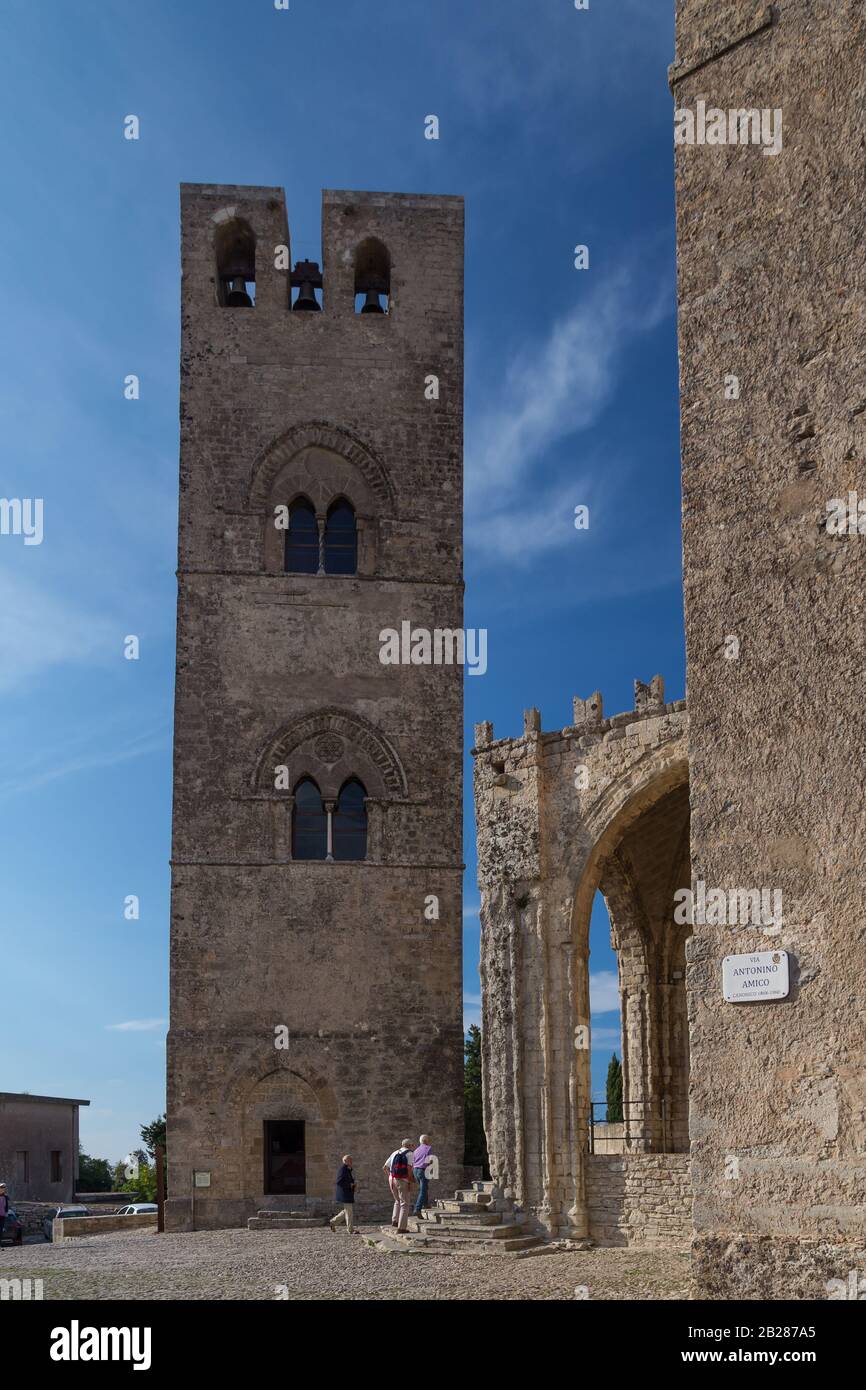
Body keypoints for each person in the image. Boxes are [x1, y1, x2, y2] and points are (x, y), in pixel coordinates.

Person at [382, 1140, 415, 1232]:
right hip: (402, 1180)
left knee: (397, 1200)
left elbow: (384, 1167)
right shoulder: (410, 1154)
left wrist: (391, 1175)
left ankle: (395, 1220)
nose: (413, 1147)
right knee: (405, 1203)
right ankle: (402, 1228)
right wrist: (410, 1181)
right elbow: (409, 1168)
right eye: (412, 1145)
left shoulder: (395, 1152)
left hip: (392, 1179)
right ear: (409, 1145)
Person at [329, 1154, 358, 1234]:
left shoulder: (348, 1170)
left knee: (347, 1211)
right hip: (345, 1194)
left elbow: (348, 1180)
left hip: (348, 1193)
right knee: (349, 1212)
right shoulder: (342, 1169)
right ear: (345, 1161)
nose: (352, 1161)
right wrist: (350, 1185)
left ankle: (333, 1222)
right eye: (350, 1160)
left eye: (351, 1160)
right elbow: (339, 1181)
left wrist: (353, 1185)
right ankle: (350, 1230)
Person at [412, 1134, 434, 1217]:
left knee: (424, 1188)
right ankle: (417, 1209)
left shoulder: (416, 1150)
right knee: (423, 1190)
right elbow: (429, 1160)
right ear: (425, 1141)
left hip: (415, 1170)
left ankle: (426, 1204)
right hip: (422, 1170)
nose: (429, 1141)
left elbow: (413, 1161)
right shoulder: (428, 1148)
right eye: (428, 1139)